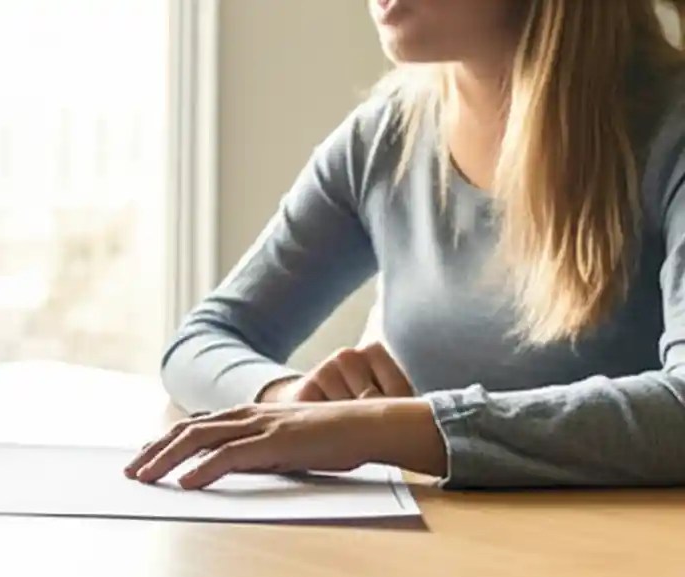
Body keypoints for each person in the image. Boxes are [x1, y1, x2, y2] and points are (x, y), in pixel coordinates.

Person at [127, 0, 685, 490]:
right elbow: (201, 342)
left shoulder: (670, 132)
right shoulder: (384, 141)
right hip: (440, 563)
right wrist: (286, 398)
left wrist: (390, 429)